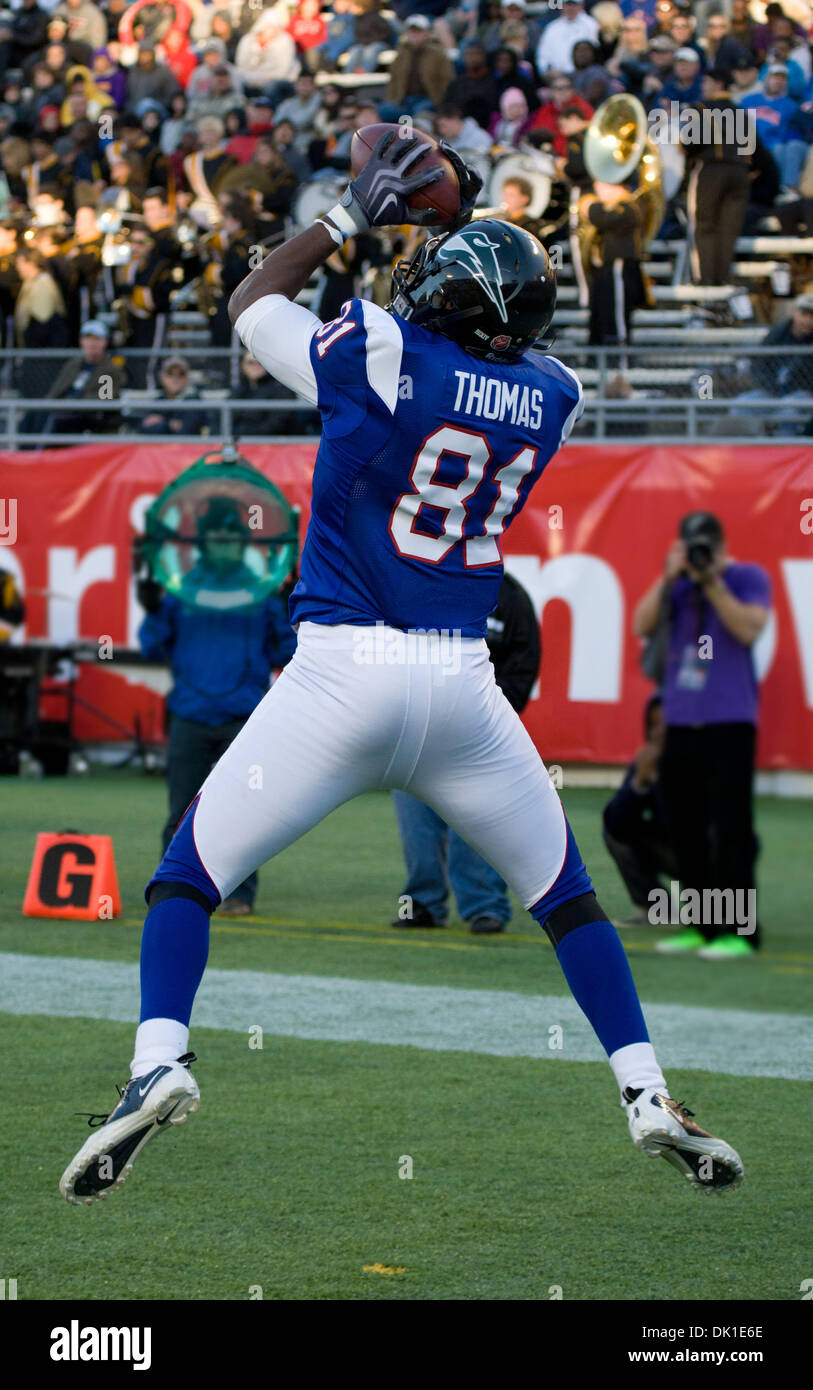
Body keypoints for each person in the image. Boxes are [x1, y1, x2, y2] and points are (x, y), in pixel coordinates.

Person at [60, 132, 744, 1206]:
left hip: (342, 672)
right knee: (565, 897)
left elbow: (250, 297)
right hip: (463, 689)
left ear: (445, 298)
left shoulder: (379, 348)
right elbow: (495, 342)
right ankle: (647, 1090)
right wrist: (454, 248)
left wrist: (346, 215)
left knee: (187, 872)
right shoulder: (554, 394)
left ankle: (157, 1059)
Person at [134, 497, 297, 917]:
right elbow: (153, 648)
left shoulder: (261, 591)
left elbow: (288, 651)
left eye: (230, 534)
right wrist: (151, 610)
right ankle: (174, 893)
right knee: (180, 815)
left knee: (244, 813)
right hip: (190, 716)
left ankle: (240, 895)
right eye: (215, 534)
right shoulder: (181, 589)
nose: (222, 541)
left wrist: (285, 605)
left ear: (242, 540)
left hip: (244, 720)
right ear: (203, 541)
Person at [633, 512, 771, 960]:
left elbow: (749, 627)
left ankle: (741, 931)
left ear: (721, 543)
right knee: (685, 829)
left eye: (705, 545)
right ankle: (703, 925)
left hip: (729, 722)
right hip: (680, 720)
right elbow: (641, 625)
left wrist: (712, 582)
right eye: (692, 545)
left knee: (731, 830)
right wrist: (668, 576)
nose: (699, 553)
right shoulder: (676, 585)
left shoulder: (747, 577)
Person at [392, 571, 541, 934]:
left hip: (476, 734)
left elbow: (525, 659)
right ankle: (422, 904)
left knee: (475, 824)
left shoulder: (510, 596)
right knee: (417, 829)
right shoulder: (418, 585)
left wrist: (492, 712)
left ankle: (484, 907)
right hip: (417, 726)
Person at [602, 695, 677, 926]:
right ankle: (657, 909)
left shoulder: (703, 762)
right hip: (671, 849)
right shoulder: (646, 761)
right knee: (616, 833)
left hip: (707, 852)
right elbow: (615, 824)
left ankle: (719, 911)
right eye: (653, 725)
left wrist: (662, 784)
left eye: (666, 725)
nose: (658, 732)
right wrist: (640, 784)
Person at [43, 318, 123, 435]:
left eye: (97, 339)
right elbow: (56, 390)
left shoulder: (109, 369)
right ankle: (24, 452)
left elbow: (104, 399)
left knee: (57, 421)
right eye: (88, 338)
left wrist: (72, 403)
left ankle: (38, 451)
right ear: (81, 341)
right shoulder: (73, 364)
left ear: (105, 342)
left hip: (87, 417)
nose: (92, 343)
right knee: (34, 416)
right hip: (65, 410)